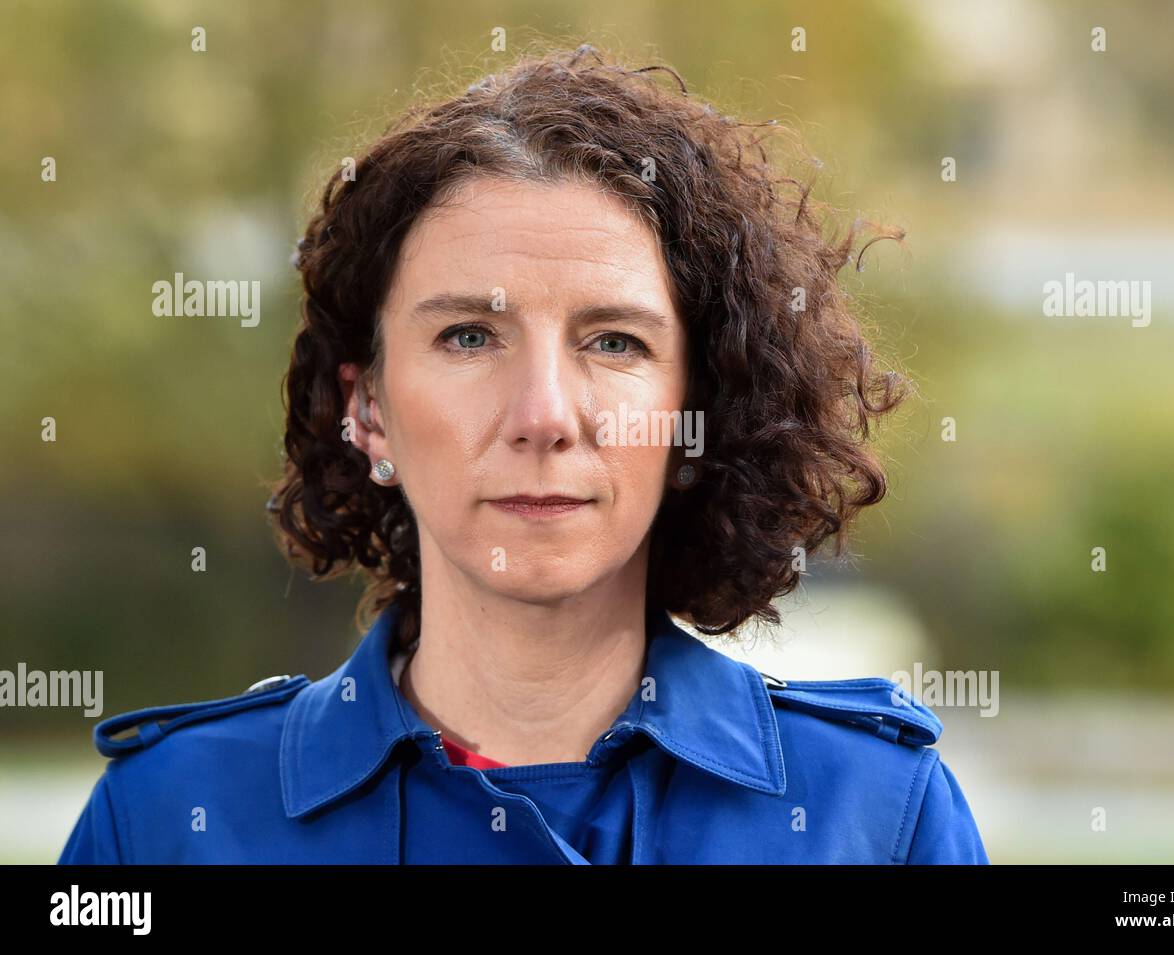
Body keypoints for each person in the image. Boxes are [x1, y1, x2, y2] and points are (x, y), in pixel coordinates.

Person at [58, 43, 989, 865]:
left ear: (691, 415)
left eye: (614, 342)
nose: (544, 415)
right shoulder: (166, 819)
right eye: (468, 335)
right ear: (370, 410)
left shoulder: (874, 817)